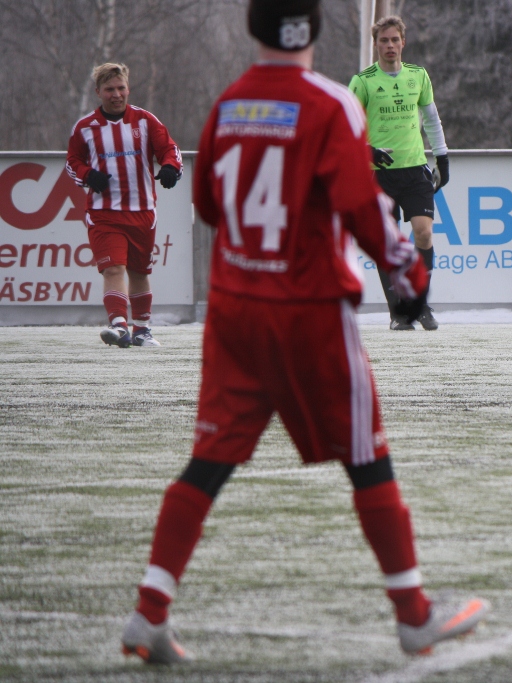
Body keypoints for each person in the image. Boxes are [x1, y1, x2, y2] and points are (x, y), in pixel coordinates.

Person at [119, 0, 488, 664]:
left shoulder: (229, 104)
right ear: (314, 32)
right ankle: (413, 614)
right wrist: (411, 276)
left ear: (254, 30)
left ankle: (149, 610)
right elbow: (361, 207)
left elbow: (206, 205)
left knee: (209, 459)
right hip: (308, 310)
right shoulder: (331, 105)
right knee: (367, 454)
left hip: (235, 310)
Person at [65, 62, 182, 348]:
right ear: (98, 92)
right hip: (104, 212)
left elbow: (170, 150)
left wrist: (170, 168)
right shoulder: (85, 128)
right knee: (113, 269)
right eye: (109, 89)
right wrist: (88, 175)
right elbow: (72, 162)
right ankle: (118, 326)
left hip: (142, 211)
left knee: (140, 272)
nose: (116, 95)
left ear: (128, 88)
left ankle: (142, 330)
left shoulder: (145, 120)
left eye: (120, 88)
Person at [349, 15, 448, 331]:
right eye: (383, 40)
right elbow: (347, 128)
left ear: (403, 42)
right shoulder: (363, 81)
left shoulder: (418, 76)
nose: (389, 46)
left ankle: (421, 305)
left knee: (424, 233)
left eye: (394, 40)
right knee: (387, 243)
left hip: (415, 168)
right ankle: (398, 312)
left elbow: (432, 120)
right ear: (376, 44)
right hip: (378, 174)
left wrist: (442, 159)